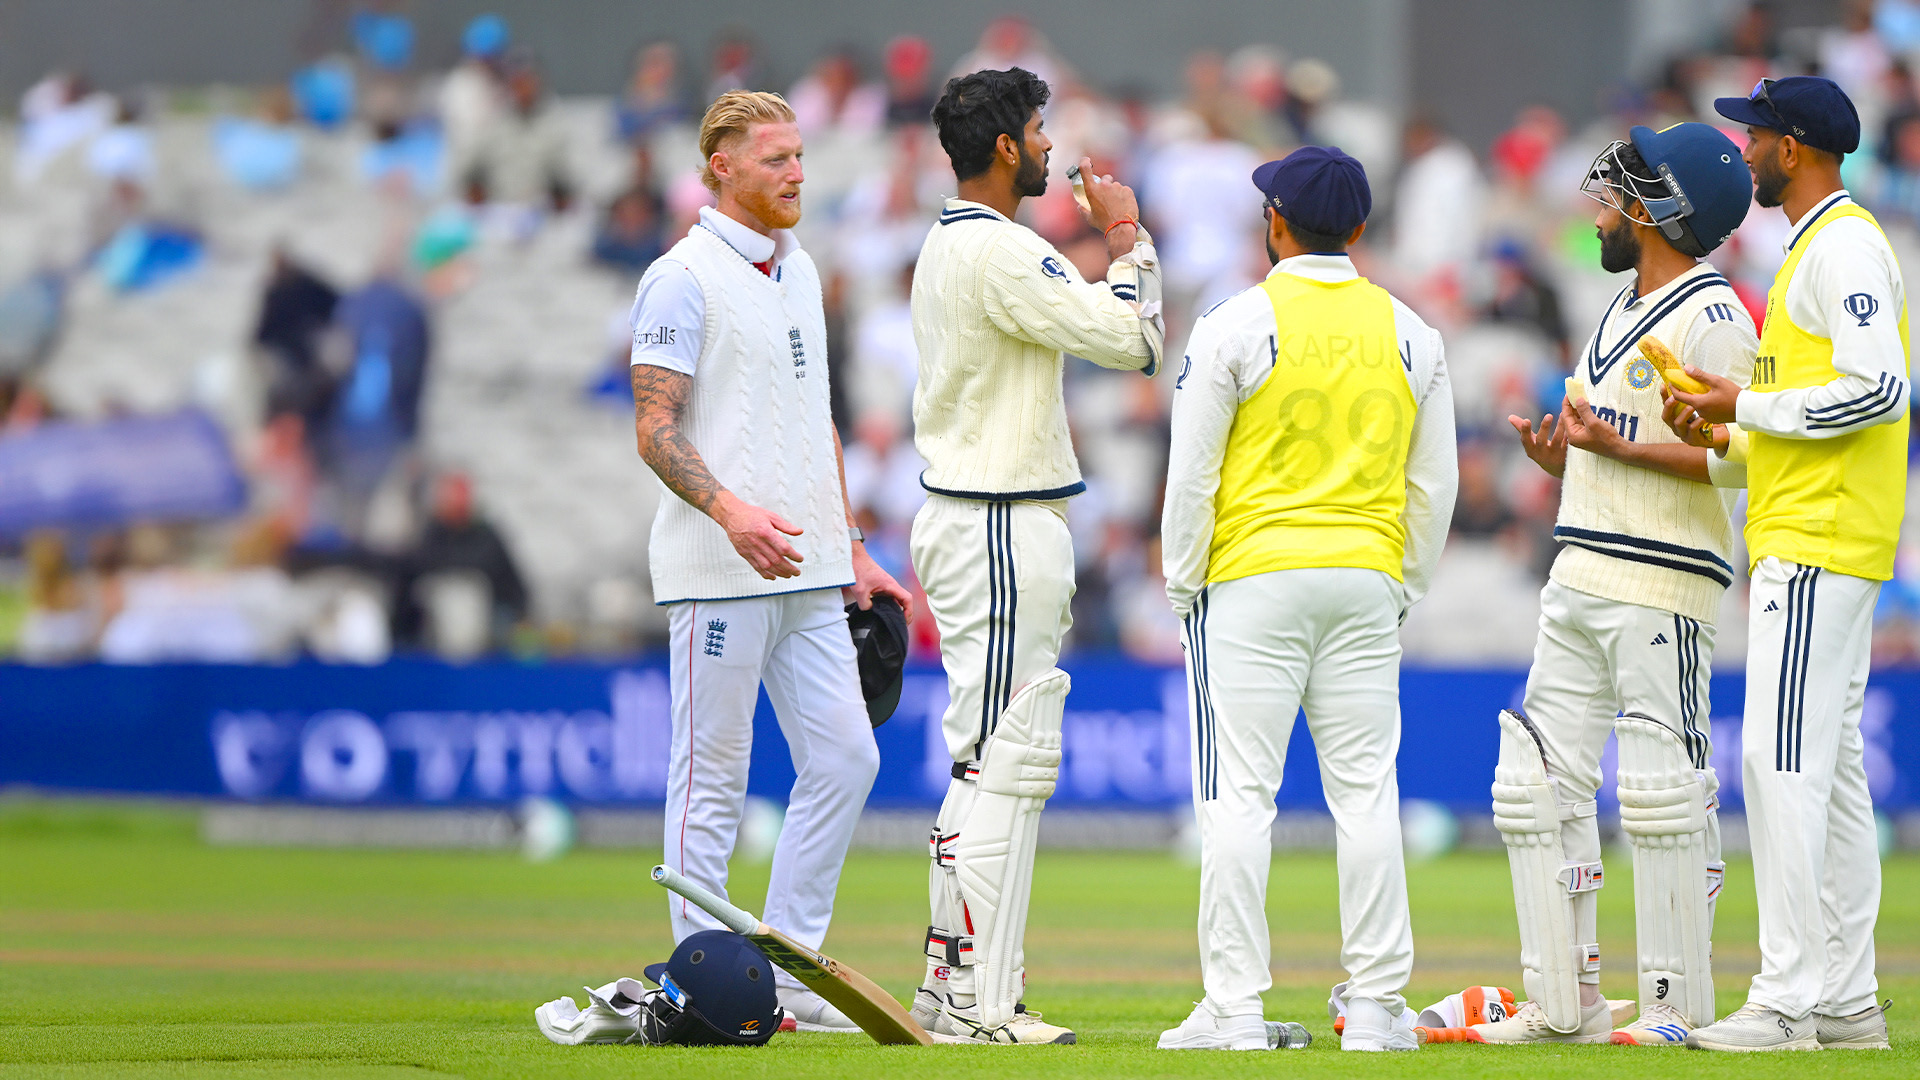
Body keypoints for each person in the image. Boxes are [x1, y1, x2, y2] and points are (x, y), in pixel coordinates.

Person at [1158, 146, 1456, 1052]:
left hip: (1253, 578)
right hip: (1365, 575)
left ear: (1274, 225)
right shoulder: (1414, 332)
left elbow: (1192, 476)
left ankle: (1236, 1011)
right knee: (1367, 795)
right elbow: (1432, 488)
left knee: (1239, 797)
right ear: (1359, 230)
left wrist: (1183, 585)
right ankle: (1373, 1008)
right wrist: (1400, 586)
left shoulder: (1235, 322)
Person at [626, 89, 912, 1035]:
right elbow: (654, 428)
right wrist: (729, 510)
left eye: (799, 157)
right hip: (719, 567)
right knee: (711, 779)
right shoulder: (680, 278)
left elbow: (812, 422)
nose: (797, 174)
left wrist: (854, 550)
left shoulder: (800, 269)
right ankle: (699, 988)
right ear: (721, 167)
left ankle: (784, 979)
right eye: (776, 160)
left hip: (811, 567)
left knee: (845, 757)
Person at [1478, 123, 1754, 1047]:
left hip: (1661, 581)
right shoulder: (1617, 305)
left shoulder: (1715, 316)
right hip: (1582, 566)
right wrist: (1565, 461)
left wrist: (1618, 448)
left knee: (1663, 793)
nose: (1602, 208)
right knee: (1536, 787)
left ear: (1661, 211)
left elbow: (1737, 459)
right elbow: (1617, 450)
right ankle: (1567, 1005)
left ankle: (1677, 1009)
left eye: (1621, 194)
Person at [909, 67, 1164, 1045]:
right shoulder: (1003, 252)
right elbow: (1133, 340)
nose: (1053, 145)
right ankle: (980, 1002)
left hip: (973, 514)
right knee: (1004, 760)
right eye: (1041, 129)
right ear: (1008, 147)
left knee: (981, 760)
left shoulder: (948, 246)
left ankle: (949, 985)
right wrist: (1126, 237)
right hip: (1000, 519)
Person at [1662, 75, 1905, 1053]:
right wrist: (1717, 427)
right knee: (1829, 772)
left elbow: (1880, 388)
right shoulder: (1812, 246)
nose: (1744, 151)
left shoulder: (1841, 244)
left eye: (1754, 135)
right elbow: (1782, 426)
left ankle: (1789, 1000)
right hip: (1812, 530)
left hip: (1821, 540)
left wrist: (1746, 409)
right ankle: (1844, 1004)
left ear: (1793, 147)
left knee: (1780, 763)